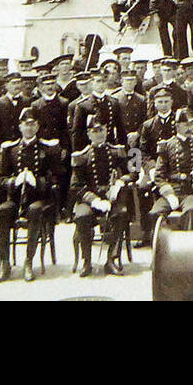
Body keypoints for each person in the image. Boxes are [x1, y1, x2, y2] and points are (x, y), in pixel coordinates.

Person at [0, 107, 61, 283]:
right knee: (2, 211)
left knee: (34, 210)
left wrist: (37, 182)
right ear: (20, 127)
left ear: (38, 126)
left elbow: (56, 177)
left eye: (32, 124)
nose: (29, 128)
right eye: (26, 124)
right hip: (16, 199)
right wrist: (13, 181)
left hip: (40, 199)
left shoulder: (47, 148)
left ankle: (28, 262)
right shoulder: (10, 150)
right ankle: (4, 263)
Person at [70, 116, 133, 277]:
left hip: (111, 198)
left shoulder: (116, 151)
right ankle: (87, 261)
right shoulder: (81, 156)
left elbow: (132, 173)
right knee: (82, 216)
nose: (99, 134)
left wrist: (119, 183)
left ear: (107, 131)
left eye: (102, 130)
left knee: (121, 214)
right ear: (89, 134)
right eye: (95, 131)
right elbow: (76, 187)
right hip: (90, 200)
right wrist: (95, 200)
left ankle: (111, 259)